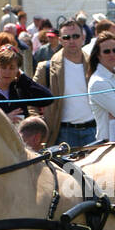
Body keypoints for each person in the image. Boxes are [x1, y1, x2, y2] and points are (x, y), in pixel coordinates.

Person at [40, 17, 96, 149]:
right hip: (63, 133)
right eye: (66, 37)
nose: (71, 41)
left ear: (83, 38)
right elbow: (32, 99)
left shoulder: (94, 64)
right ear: (60, 40)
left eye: (76, 36)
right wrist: (38, 121)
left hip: (93, 130)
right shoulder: (46, 68)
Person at [0, 47, 51, 124]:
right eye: (3, 67)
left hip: (20, 135)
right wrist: (5, 118)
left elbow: (47, 99)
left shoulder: (20, 88)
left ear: (18, 69)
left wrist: (23, 78)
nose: (7, 72)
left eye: (12, 68)